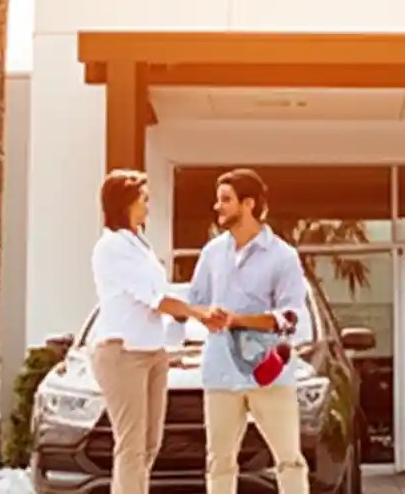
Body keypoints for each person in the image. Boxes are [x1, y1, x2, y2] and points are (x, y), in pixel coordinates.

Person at [90, 169, 225, 494]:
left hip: (152, 352)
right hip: (122, 354)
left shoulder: (139, 244)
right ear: (125, 203)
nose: (148, 206)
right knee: (132, 446)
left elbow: (161, 295)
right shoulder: (111, 248)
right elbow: (156, 298)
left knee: (150, 444)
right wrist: (198, 313)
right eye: (143, 199)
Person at [186, 168, 310, 494]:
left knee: (289, 460)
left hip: (268, 371)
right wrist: (205, 314)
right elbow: (194, 302)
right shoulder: (212, 252)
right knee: (220, 462)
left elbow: (291, 317)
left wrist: (239, 320)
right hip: (220, 372)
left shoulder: (283, 256)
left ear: (249, 204)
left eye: (225, 200)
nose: (218, 207)